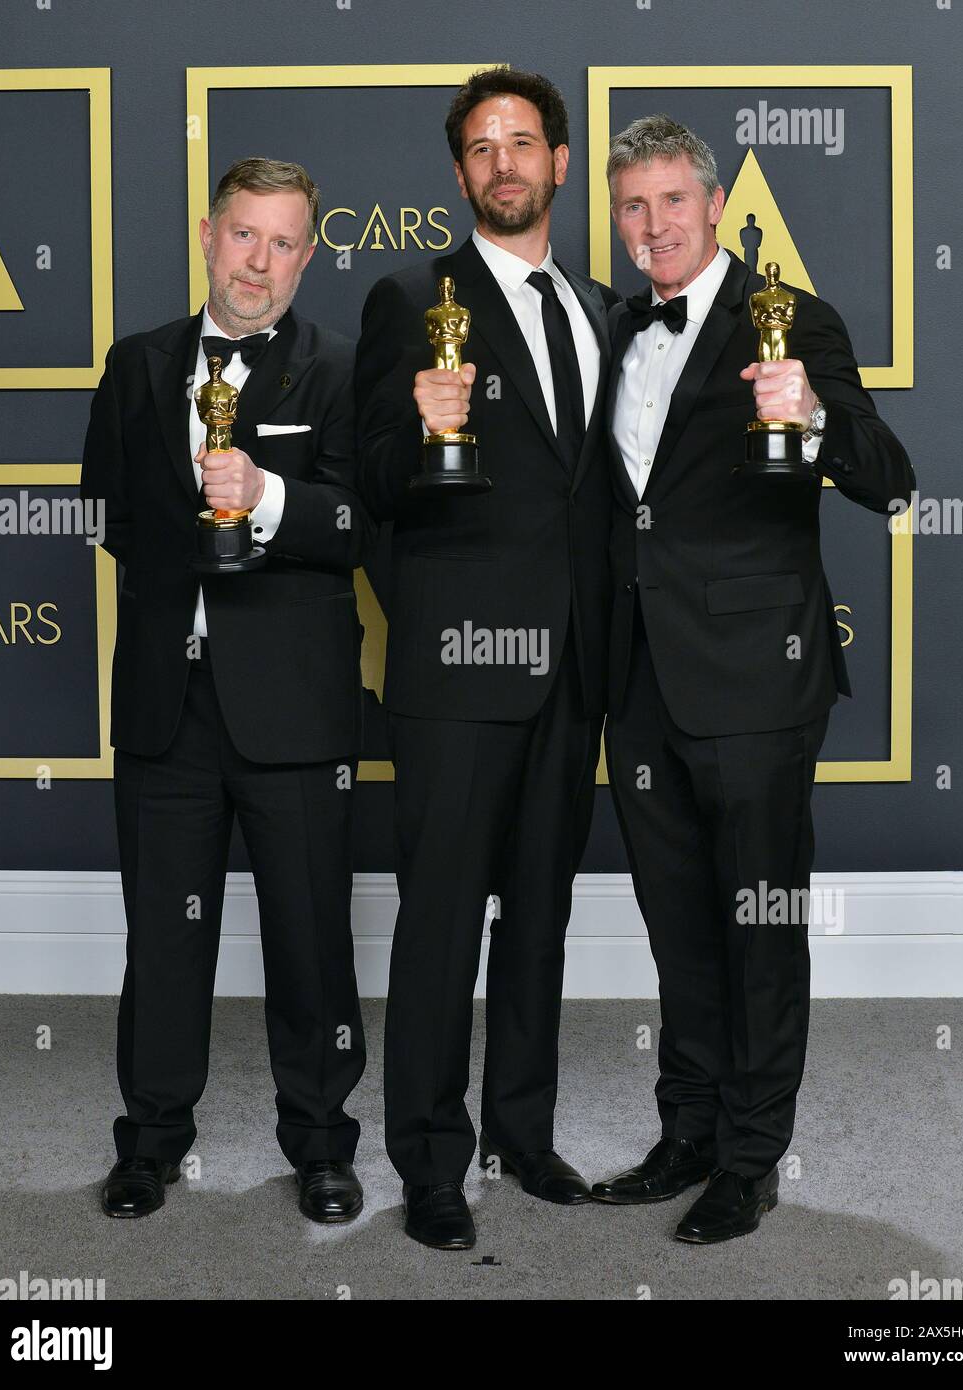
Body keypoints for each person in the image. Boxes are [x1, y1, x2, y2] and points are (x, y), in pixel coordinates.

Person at [593, 116, 915, 1242]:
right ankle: (685, 1130)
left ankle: (750, 1156)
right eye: (633, 206)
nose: (653, 226)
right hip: (636, 677)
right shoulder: (613, 326)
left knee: (758, 923)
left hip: (755, 678)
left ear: (716, 205)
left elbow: (889, 477)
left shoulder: (795, 320)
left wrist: (812, 416)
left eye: (672, 201)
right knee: (676, 920)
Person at [354, 67, 619, 1250]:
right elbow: (367, 485)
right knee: (443, 923)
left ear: (560, 162)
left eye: (521, 142)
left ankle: (524, 1131)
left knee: (540, 918)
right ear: (459, 175)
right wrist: (424, 430)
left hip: (574, 673)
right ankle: (430, 1162)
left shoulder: (604, 309)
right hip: (457, 676)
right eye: (479, 147)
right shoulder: (411, 298)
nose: (502, 162)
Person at [80, 157, 373, 1224]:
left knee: (311, 937)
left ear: (307, 255)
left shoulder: (342, 368)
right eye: (244, 234)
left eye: (283, 242)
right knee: (163, 937)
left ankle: (324, 1144)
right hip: (168, 704)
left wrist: (265, 497)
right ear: (209, 235)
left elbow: (361, 526)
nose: (259, 261)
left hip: (295, 708)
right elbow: (110, 514)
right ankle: (151, 1140)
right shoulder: (137, 363)